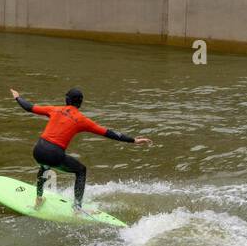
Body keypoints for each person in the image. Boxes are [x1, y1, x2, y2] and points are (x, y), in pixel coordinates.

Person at [9, 86, 151, 210]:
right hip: (54, 154)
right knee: (81, 171)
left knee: (44, 167)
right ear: (80, 103)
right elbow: (108, 133)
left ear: (67, 100)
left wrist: (17, 97)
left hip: (38, 150)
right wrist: (133, 140)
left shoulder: (55, 109)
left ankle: (39, 199)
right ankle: (77, 207)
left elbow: (28, 107)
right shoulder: (82, 120)